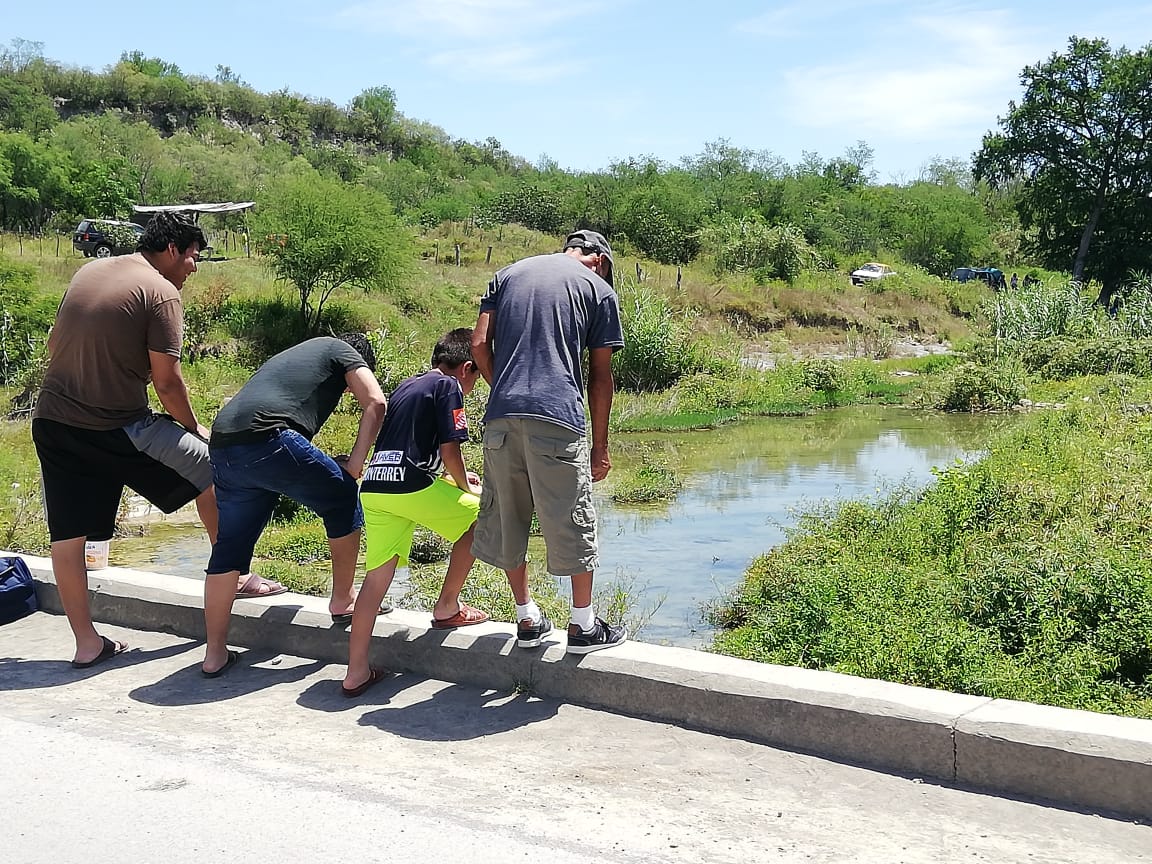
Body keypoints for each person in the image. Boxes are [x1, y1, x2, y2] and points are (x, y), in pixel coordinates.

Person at [31, 212, 224, 669]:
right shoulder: (162, 293)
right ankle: (235, 575)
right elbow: (168, 381)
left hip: (53, 422)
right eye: (195, 256)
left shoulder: (90, 269)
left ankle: (86, 644)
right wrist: (195, 427)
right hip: (117, 427)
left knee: (67, 536)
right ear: (173, 250)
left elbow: (57, 341)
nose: (195, 266)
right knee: (219, 473)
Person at [470, 229, 628, 654]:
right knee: (571, 518)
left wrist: (502, 388)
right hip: (557, 417)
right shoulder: (596, 288)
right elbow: (600, 376)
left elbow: (479, 345)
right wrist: (600, 445)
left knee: (507, 517)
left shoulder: (507, 274)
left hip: (501, 418)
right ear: (599, 260)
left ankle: (526, 617)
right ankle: (582, 626)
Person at [201, 333, 388, 677]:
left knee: (229, 549)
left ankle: (214, 654)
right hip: (267, 436)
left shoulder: (299, 354)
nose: (348, 391)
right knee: (342, 497)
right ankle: (344, 599)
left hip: (224, 444)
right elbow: (376, 403)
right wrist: (355, 465)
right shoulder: (343, 351)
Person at [342, 328, 490, 697]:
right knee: (480, 517)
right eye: (478, 376)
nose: (474, 385)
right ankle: (447, 606)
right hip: (408, 486)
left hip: (376, 487)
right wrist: (464, 485)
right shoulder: (450, 387)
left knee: (375, 583)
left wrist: (447, 477)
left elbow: (410, 444)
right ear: (467, 367)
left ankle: (355, 672)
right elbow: (450, 447)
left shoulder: (409, 384)